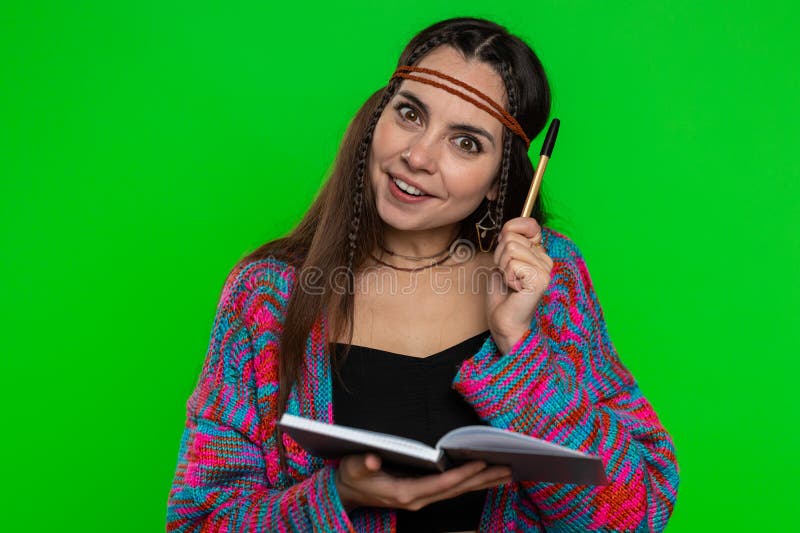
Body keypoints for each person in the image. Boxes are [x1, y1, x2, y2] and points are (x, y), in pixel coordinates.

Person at [166, 16, 679, 532]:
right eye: (410, 114)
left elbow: (638, 515)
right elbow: (198, 522)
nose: (417, 156)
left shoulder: (549, 281)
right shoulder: (266, 296)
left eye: (466, 144)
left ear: (501, 182)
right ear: (377, 118)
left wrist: (520, 348)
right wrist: (336, 496)